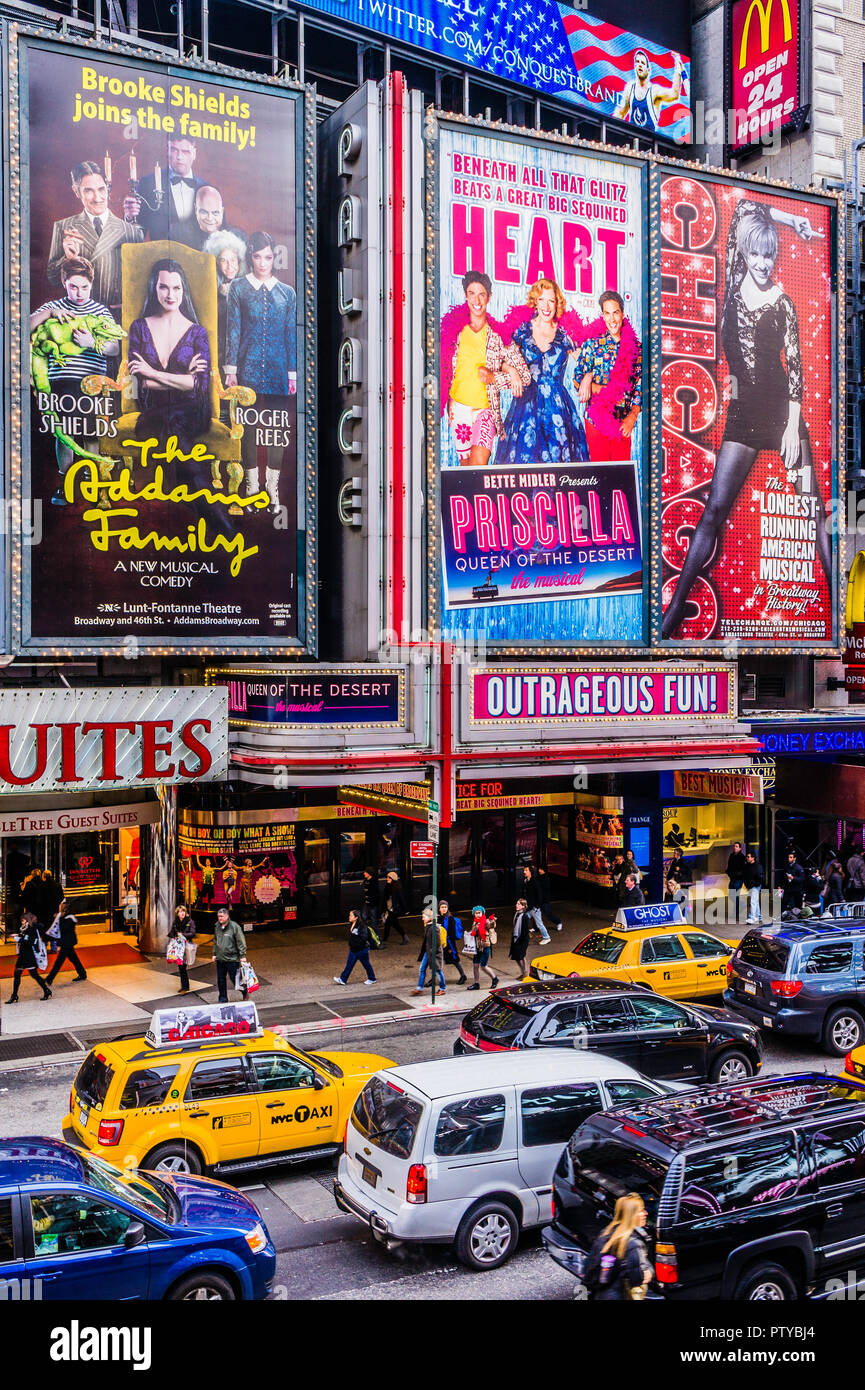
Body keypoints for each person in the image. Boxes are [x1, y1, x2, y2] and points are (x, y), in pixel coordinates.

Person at [662, 198, 828, 637]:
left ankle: (840, 623)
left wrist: (793, 427)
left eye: (769, 255)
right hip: (743, 417)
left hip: (782, 414)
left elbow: (795, 370)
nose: (761, 262)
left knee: (816, 512)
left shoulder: (784, 302)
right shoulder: (735, 283)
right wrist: (792, 219)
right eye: (755, 253)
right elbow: (742, 210)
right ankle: (675, 611)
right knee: (713, 511)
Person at [30, 256, 121, 505]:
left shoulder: (100, 311)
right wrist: (50, 312)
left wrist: (92, 343)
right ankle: (64, 484)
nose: (79, 293)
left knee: (91, 434)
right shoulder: (54, 306)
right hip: (60, 382)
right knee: (64, 436)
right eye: (73, 286)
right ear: (64, 282)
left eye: (84, 287)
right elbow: (21, 327)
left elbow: (114, 349)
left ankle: (91, 482)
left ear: (91, 283)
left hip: (92, 383)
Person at [225, 231, 297, 512]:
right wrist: (231, 370)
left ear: (274, 258)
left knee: (277, 429)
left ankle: (272, 488)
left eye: (268, 257)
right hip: (247, 368)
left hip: (279, 369)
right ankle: (252, 485)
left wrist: (293, 374)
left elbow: (291, 334)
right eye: (257, 256)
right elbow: (233, 330)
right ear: (250, 257)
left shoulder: (287, 293)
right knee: (249, 429)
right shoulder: (239, 289)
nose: (263, 262)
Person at [495, 278, 588, 466]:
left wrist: (587, 377)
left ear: (557, 303)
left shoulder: (565, 334)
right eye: (541, 300)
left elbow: (588, 362)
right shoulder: (523, 331)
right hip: (526, 406)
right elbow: (499, 360)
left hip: (558, 410)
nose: (546, 306)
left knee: (561, 469)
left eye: (551, 301)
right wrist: (512, 371)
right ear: (534, 302)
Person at [441, 269, 529, 465]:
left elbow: (525, 376)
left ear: (489, 297)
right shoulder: (454, 330)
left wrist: (498, 376)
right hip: (458, 408)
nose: (477, 300)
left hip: (485, 410)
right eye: (472, 293)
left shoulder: (498, 336)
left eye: (481, 294)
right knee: (465, 472)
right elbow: (443, 370)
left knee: (478, 467)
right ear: (465, 295)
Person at [127, 258, 211, 460]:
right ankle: (193, 489)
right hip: (152, 409)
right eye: (163, 287)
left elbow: (200, 387)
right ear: (154, 288)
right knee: (164, 424)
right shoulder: (138, 327)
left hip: (192, 411)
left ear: (184, 290)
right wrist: (184, 380)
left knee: (172, 424)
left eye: (176, 288)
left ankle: (176, 489)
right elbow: (139, 384)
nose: (170, 295)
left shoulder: (197, 332)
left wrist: (152, 373)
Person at [47, 160, 143, 313]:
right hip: (77, 317)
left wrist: (131, 306)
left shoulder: (132, 232)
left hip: (116, 319)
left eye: (101, 189)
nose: (97, 197)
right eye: (88, 191)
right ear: (76, 192)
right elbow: (52, 279)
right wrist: (68, 258)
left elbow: (141, 282)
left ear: (108, 188)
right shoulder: (64, 227)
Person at [574, 290, 642, 461]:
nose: (612, 320)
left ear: (623, 314)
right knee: (599, 476)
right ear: (602, 315)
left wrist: (633, 416)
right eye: (607, 313)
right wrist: (594, 384)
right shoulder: (593, 345)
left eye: (615, 313)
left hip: (622, 422)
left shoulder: (637, 348)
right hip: (596, 420)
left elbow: (639, 386)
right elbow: (577, 379)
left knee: (620, 478)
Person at [132, 136, 206, 243]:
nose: (179, 157)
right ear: (168, 151)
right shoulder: (148, 183)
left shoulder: (207, 189)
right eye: (175, 150)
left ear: (194, 153)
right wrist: (129, 217)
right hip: (160, 258)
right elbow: (137, 234)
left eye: (185, 152)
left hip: (198, 259)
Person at [582, 1193, 653, 1301]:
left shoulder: (607, 1233)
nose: (645, 1213)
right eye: (641, 1210)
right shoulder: (634, 1244)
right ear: (632, 1215)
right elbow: (637, 1279)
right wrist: (649, 1271)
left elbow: (589, 1264)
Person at [203, 229, 246, 373]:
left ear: (239, 261)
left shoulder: (247, 285)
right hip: (217, 352)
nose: (230, 266)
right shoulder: (209, 287)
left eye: (233, 260)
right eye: (223, 260)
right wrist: (220, 295)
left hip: (243, 353)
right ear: (216, 263)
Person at [615, 48, 685, 133]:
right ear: (635, 66)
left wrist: (677, 64)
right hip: (631, 139)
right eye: (637, 62)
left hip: (649, 141)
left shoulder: (654, 91)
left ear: (648, 70)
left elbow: (675, 94)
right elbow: (620, 113)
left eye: (643, 63)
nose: (640, 65)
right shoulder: (630, 88)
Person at [7, 912, 51, 1003]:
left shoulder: (32, 929)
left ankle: (46, 990)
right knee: (18, 974)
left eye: (22, 920)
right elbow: (25, 937)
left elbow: (30, 942)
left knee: (34, 975)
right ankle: (14, 995)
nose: (21, 922)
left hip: (28, 955)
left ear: (27, 920)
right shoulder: (25, 928)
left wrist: (19, 939)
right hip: (23, 955)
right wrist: (18, 936)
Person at [188, 185, 245, 252]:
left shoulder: (238, 238)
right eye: (204, 212)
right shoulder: (181, 236)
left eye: (215, 213)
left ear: (222, 212)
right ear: (196, 209)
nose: (210, 218)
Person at [44, 900, 87, 986]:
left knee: (59, 962)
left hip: (67, 942)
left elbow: (62, 929)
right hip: (67, 942)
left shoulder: (70, 918)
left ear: (65, 909)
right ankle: (82, 974)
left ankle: (50, 978)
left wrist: (59, 918)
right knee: (74, 959)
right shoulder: (63, 916)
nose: (59, 908)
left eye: (61, 906)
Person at [212, 904, 248, 1003]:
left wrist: (242, 955)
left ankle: (244, 991)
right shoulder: (217, 926)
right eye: (218, 916)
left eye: (221, 916)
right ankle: (223, 998)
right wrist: (214, 953)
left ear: (227, 916)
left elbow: (241, 941)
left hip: (232, 958)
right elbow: (215, 941)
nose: (219, 918)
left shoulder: (234, 927)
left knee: (234, 978)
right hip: (220, 958)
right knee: (221, 980)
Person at [333, 908, 377, 986]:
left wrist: (356, 945)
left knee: (366, 964)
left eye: (351, 915)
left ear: (356, 917)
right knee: (349, 964)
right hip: (354, 949)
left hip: (362, 950)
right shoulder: (352, 924)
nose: (349, 917)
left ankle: (372, 978)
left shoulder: (362, 926)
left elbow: (363, 938)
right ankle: (343, 979)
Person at [413, 908, 446, 996]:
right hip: (428, 952)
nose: (422, 918)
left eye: (424, 917)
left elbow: (437, 944)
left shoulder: (434, 928)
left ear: (429, 917)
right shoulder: (428, 926)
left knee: (437, 971)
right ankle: (419, 987)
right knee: (422, 969)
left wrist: (432, 953)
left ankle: (442, 988)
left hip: (434, 953)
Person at [465, 907, 498, 992]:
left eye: (479, 913)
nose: (478, 914)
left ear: (482, 913)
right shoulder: (475, 922)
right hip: (477, 946)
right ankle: (476, 984)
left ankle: (494, 978)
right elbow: (474, 932)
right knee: (475, 965)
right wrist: (470, 932)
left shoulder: (486, 921)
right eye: (476, 913)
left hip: (485, 946)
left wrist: (492, 920)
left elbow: (492, 925)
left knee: (483, 966)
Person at [168, 905, 196, 994]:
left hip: (186, 947)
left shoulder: (190, 921)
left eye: (183, 911)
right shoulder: (175, 922)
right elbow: (171, 932)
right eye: (180, 911)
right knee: (181, 967)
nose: (182, 913)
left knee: (183, 967)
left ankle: (184, 987)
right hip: (178, 947)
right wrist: (175, 935)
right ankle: (185, 987)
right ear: (177, 913)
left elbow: (193, 933)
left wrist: (183, 935)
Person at [438, 900, 467, 985]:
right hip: (440, 943)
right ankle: (435, 978)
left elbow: (451, 933)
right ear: (439, 908)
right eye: (442, 907)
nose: (444, 909)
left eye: (445, 907)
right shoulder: (438, 918)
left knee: (455, 960)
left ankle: (463, 975)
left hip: (449, 943)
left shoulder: (450, 919)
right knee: (438, 960)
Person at [522, 865, 552, 944]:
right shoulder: (526, 881)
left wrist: (536, 907)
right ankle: (526, 936)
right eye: (524, 870)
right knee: (524, 921)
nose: (524, 872)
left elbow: (539, 895)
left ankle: (547, 937)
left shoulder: (535, 882)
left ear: (530, 872)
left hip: (534, 908)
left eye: (526, 870)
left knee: (539, 924)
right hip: (529, 907)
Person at [380, 870, 408, 946]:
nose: (387, 879)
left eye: (389, 878)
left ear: (393, 879)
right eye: (387, 877)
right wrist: (383, 909)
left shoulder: (397, 887)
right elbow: (385, 898)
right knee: (395, 924)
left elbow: (402, 898)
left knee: (388, 924)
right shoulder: (387, 886)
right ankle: (404, 936)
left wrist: (405, 909)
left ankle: (384, 941)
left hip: (395, 909)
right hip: (389, 909)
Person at [509, 898, 532, 978]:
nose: (516, 905)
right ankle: (524, 973)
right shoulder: (517, 914)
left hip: (522, 939)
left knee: (520, 956)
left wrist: (519, 940)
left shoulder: (525, 916)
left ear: (523, 906)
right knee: (519, 956)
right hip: (517, 938)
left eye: (519, 904)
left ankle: (524, 974)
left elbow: (525, 931)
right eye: (517, 903)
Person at [537, 866, 563, 933]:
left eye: (540, 869)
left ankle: (558, 922)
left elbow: (545, 889)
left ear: (543, 870)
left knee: (548, 914)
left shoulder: (546, 878)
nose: (539, 870)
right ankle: (535, 927)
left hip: (545, 900)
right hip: (540, 899)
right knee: (536, 912)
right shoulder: (539, 877)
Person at [780, 852, 806, 916]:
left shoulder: (799, 868)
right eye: (789, 857)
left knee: (797, 904)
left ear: (794, 858)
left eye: (791, 857)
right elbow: (783, 877)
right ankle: (783, 916)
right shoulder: (787, 866)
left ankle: (797, 917)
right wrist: (780, 886)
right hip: (788, 888)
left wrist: (793, 878)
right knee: (784, 902)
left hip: (796, 889)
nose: (789, 859)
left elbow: (802, 879)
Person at [744, 852, 765, 925]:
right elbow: (745, 876)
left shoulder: (758, 866)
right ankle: (759, 917)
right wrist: (746, 884)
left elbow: (761, 877)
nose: (747, 858)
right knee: (755, 901)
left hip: (755, 886)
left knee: (753, 901)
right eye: (747, 856)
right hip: (750, 886)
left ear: (753, 858)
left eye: (748, 857)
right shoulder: (747, 866)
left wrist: (755, 884)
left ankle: (752, 918)